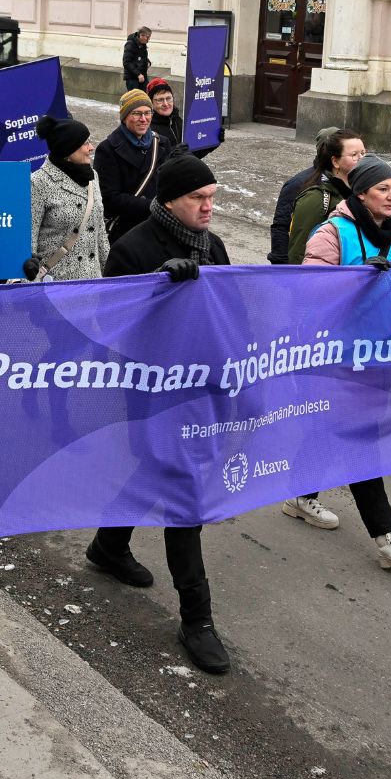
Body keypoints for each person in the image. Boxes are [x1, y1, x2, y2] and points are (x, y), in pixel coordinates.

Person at [84, 154, 232, 674]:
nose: (209, 207)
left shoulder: (213, 246)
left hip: (201, 388)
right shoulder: (134, 248)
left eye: (213, 197)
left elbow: (231, 311)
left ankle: (108, 544)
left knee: (155, 474)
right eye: (199, 198)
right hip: (153, 394)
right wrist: (157, 291)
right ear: (169, 200)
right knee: (182, 493)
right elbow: (109, 326)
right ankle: (197, 619)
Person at [295, 156, 391, 569]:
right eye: (383, 189)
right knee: (360, 439)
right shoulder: (332, 232)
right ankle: (387, 536)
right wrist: (355, 278)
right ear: (361, 193)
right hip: (339, 355)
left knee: (334, 429)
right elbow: (310, 292)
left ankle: (302, 494)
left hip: (382, 354)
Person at [22, 115, 108, 282]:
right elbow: (28, 242)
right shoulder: (38, 183)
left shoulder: (92, 177)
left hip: (93, 283)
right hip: (57, 287)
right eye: (85, 143)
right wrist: (30, 288)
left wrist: (113, 279)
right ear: (68, 150)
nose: (91, 148)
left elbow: (100, 234)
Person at [92, 90, 163, 244]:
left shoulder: (160, 143)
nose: (143, 119)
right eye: (136, 113)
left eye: (147, 113)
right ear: (124, 117)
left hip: (158, 226)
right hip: (126, 232)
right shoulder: (107, 150)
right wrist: (151, 205)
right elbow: (109, 198)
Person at [285, 130, 365, 264]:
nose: (361, 159)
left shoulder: (364, 195)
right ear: (335, 161)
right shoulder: (316, 199)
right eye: (354, 155)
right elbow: (298, 253)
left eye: (363, 153)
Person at [269, 127, 346, 263]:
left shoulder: (353, 182)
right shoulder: (299, 184)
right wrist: (281, 265)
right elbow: (281, 226)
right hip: (304, 264)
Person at [122, 26, 151, 91]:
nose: (148, 39)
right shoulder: (130, 44)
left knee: (146, 96)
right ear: (142, 36)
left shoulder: (143, 45)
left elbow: (141, 57)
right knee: (135, 99)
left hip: (143, 77)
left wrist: (148, 62)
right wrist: (138, 74)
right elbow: (126, 62)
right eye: (148, 37)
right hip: (133, 78)